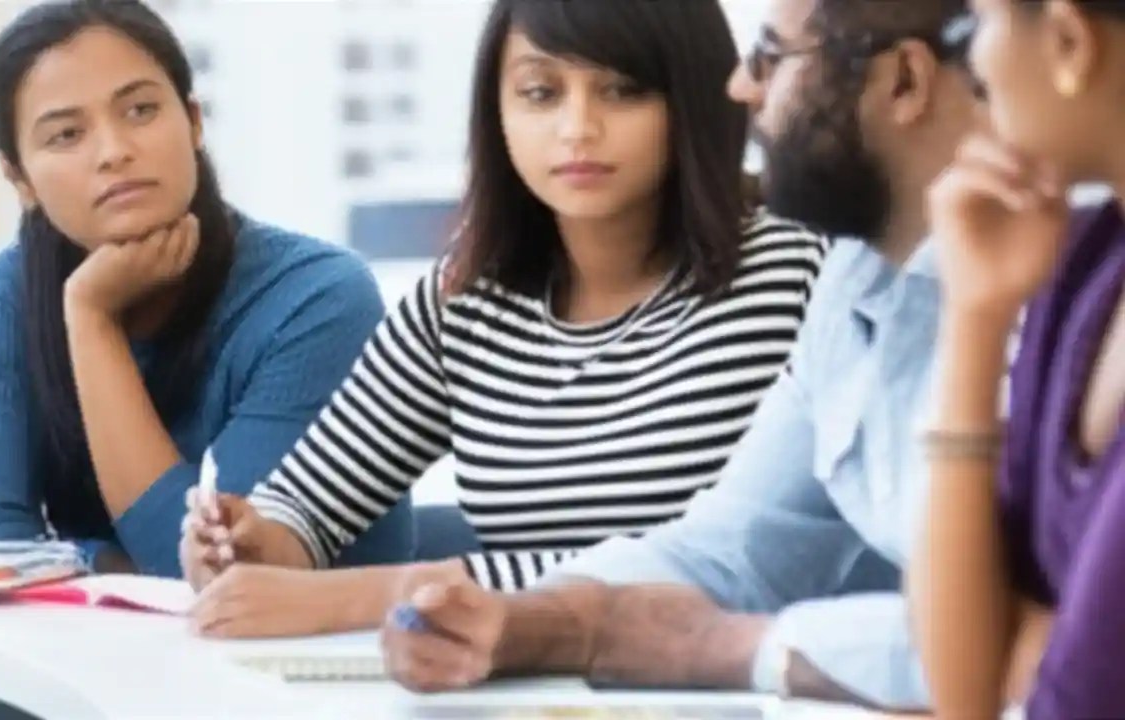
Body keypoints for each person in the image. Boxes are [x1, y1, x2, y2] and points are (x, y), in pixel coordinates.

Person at [376, 0, 1012, 710]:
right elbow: (735, 543)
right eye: (540, 92)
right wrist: (531, 624)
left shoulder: (1036, 293)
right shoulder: (856, 280)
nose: (741, 87)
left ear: (905, 81)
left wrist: (728, 646)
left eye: (772, 58)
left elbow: (1049, 641)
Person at [179, 0, 827, 639]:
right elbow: (307, 504)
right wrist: (246, 543)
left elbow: (721, 565)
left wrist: (382, 594)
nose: (577, 127)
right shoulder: (464, 302)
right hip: (522, 684)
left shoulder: (794, 271)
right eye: (541, 93)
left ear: (693, 97)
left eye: (623, 90)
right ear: (498, 113)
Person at [0, 0, 413, 577]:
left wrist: (92, 319)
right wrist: (99, 561)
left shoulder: (320, 298)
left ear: (193, 121)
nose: (114, 151)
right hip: (94, 634)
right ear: (19, 177)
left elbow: (216, 573)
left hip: (310, 635)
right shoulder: (13, 290)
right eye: (66, 134)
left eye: (140, 110)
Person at [910, 0, 1125, 717]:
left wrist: (1038, 646)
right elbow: (967, 687)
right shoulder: (1088, 261)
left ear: (1068, 40)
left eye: (981, 21)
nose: (971, 60)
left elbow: (1072, 699)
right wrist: (975, 317)